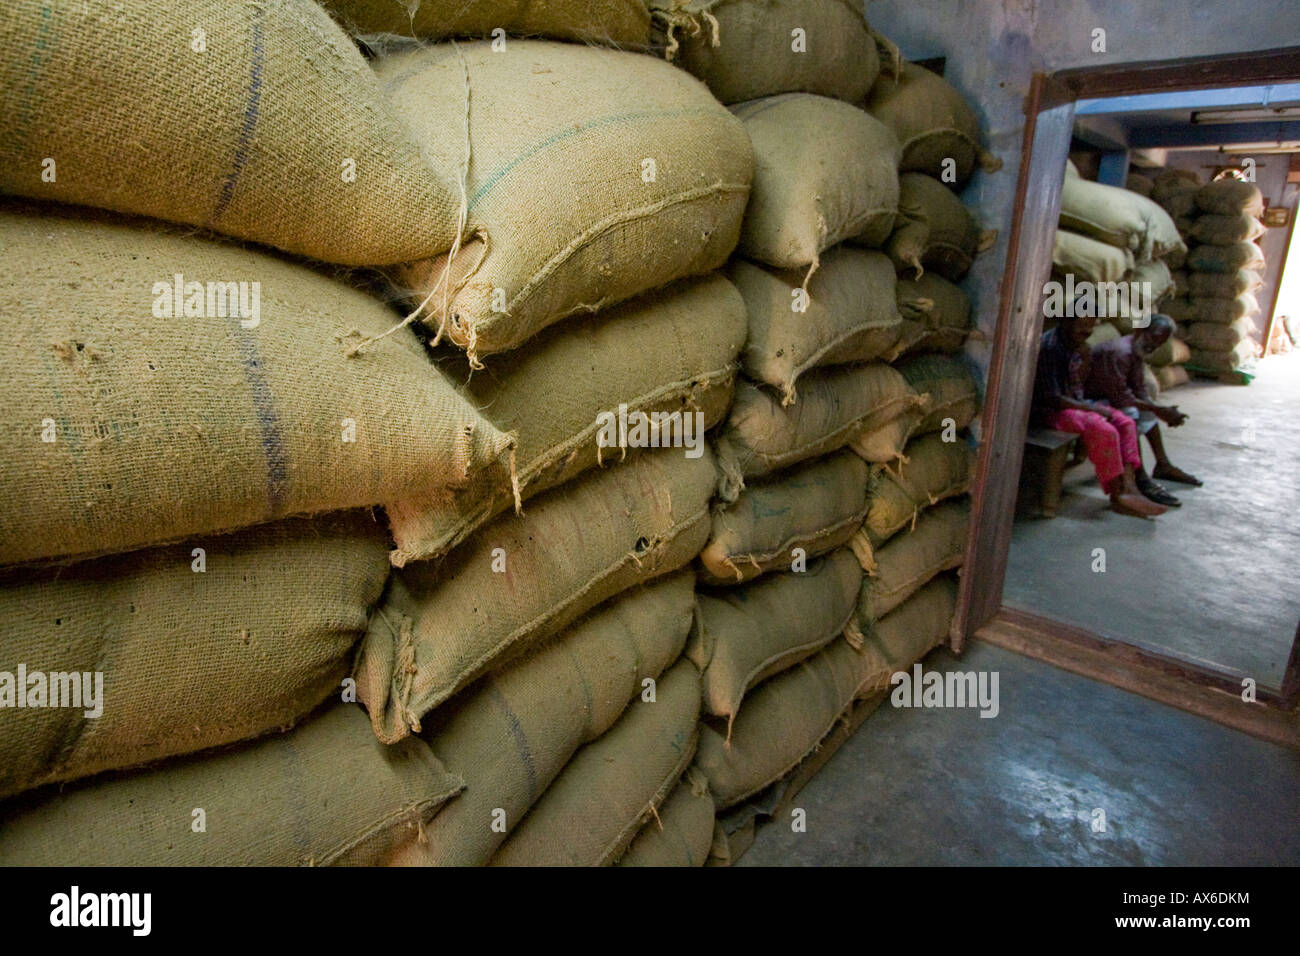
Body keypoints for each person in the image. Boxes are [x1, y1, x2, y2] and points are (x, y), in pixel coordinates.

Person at [1031, 313, 1168, 518]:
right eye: (1081, 326)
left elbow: (1079, 388)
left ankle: (1130, 488)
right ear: (1066, 322)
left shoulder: (1078, 346)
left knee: (1126, 422)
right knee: (1104, 430)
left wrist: (1089, 404)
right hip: (1049, 411)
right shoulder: (1050, 348)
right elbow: (1051, 398)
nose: (1086, 332)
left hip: (1074, 405)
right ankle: (1117, 494)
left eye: (1090, 327)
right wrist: (1091, 410)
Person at [1085, 314, 1202, 509]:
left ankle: (1163, 464)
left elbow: (1138, 388)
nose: (1155, 344)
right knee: (1130, 413)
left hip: (1110, 397)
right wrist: (1159, 410)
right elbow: (1121, 397)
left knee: (1146, 410)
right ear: (1140, 330)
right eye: (1153, 337)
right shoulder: (1119, 352)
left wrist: (1159, 410)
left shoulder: (1136, 351)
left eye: (1161, 341)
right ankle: (1139, 476)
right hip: (1090, 399)